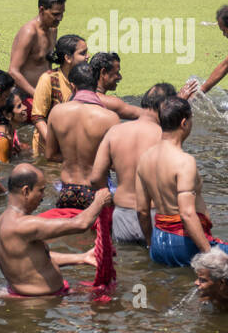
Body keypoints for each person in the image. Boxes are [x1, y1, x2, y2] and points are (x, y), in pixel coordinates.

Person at [136, 95, 228, 269]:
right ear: (184, 123)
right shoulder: (184, 161)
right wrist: (209, 254)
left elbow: (142, 211)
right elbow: (187, 214)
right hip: (185, 242)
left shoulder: (144, 159)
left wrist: (150, 245)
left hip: (159, 242)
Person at [0, 164, 110, 297]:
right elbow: (80, 224)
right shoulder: (24, 225)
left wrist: (82, 258)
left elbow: (36, 259)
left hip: (27, 297)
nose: (42, 197)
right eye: (41, 190)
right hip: (38, 303)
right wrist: (99, 201)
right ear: (26, 191)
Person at [90, 82, 177, 242]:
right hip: (154, 215)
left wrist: (108, 201)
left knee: (125, 264)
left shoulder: (115, 131)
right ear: (165, 107)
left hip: (121, 214)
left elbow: (95, 177)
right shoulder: (164, 136)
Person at [46, 62, 119, 209]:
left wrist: (72, 158)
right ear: (97, 83)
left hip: (66, 190)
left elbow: (50, 155)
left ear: (73, 86)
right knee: (100, 232)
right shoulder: (110, 118)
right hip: (97, 193)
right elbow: (117, 165)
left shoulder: (56, 112)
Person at [30, 32, 87, 156]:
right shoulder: (48, 79)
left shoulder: (85, 79)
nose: (88, 57)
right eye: (82, 53)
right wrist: (55, 145)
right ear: (68, 58)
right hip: (47, 151)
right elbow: (37, 117)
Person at [9, 0, 67, 105]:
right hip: (25, 96)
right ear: (42, 10)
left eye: (62, 13)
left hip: (46, 93)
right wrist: (37, 95)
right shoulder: (29, 32)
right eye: (55, 14)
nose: (60, 18)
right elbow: (13, 71)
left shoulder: (53, 29)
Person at [89, 52, 142, 120]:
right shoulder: (107, 101)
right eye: (117, 72)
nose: (120, 77)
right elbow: (144, 114)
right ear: (103, 73)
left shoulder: (77, 92)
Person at [0, 88, 32, 163]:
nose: (25, 107)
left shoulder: (10, 128)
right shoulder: (1, 140)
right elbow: (1, 169)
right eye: (19, 106)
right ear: (8, 115)